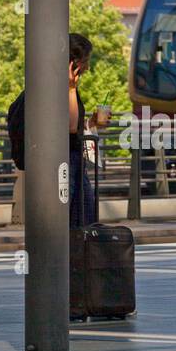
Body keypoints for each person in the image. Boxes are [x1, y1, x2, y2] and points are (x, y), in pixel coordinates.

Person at [68, 33, 99, 229]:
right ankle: (75, 257)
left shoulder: (69, 86)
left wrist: (91, 122)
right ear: (75, 63)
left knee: (86, 212)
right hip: (68, 160)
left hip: (75, 158)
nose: (88, 67)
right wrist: (71, 88)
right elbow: (70, 126)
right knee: (81, 216)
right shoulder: (65, 87)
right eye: (85, 62)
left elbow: (75, 124)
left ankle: (79, 256)